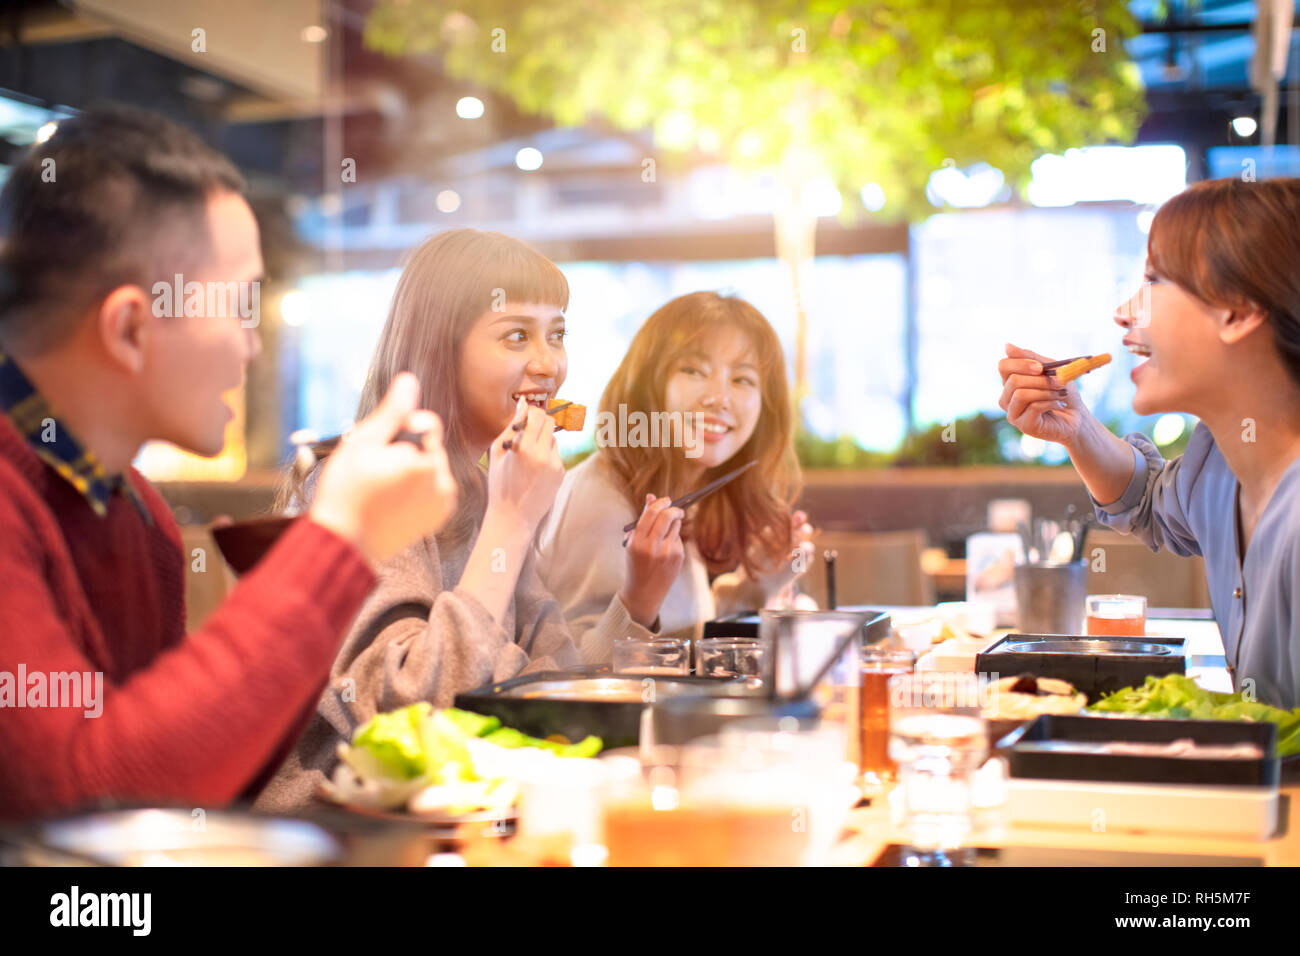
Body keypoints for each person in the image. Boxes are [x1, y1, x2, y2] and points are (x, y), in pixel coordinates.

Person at [0, 105, 458, 821]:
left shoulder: (139, 514)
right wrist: (338, 541)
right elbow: (75, 809)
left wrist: (301, 581)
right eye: (240, 305)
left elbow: (188, 781)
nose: (251, 346)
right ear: (129, 327)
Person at [256, 229, 585, 811]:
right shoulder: (363, 482)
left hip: (465, 816)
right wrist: (511, 520)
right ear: (439, 348)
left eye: (557, 335)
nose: (549, 364)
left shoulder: (487, 487)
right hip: (339, 831)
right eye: (516, 336)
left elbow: (555, 677)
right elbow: (409, 715)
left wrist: (634, 605)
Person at [1000, 176, 1300, 709]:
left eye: (1154, 281)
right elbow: (1147, 502)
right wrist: (1076, 427)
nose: (1125, 311)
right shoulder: (1219, 466)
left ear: (1237, 310)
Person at [535, 291, 813, 664]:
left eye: (743, 380)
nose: (719, 398)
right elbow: (563, 673)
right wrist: (636, 603)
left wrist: (757, 586)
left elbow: (685, 635)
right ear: (649, 384)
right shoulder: (602, 496)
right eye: (694, 370)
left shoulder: (681, 489)